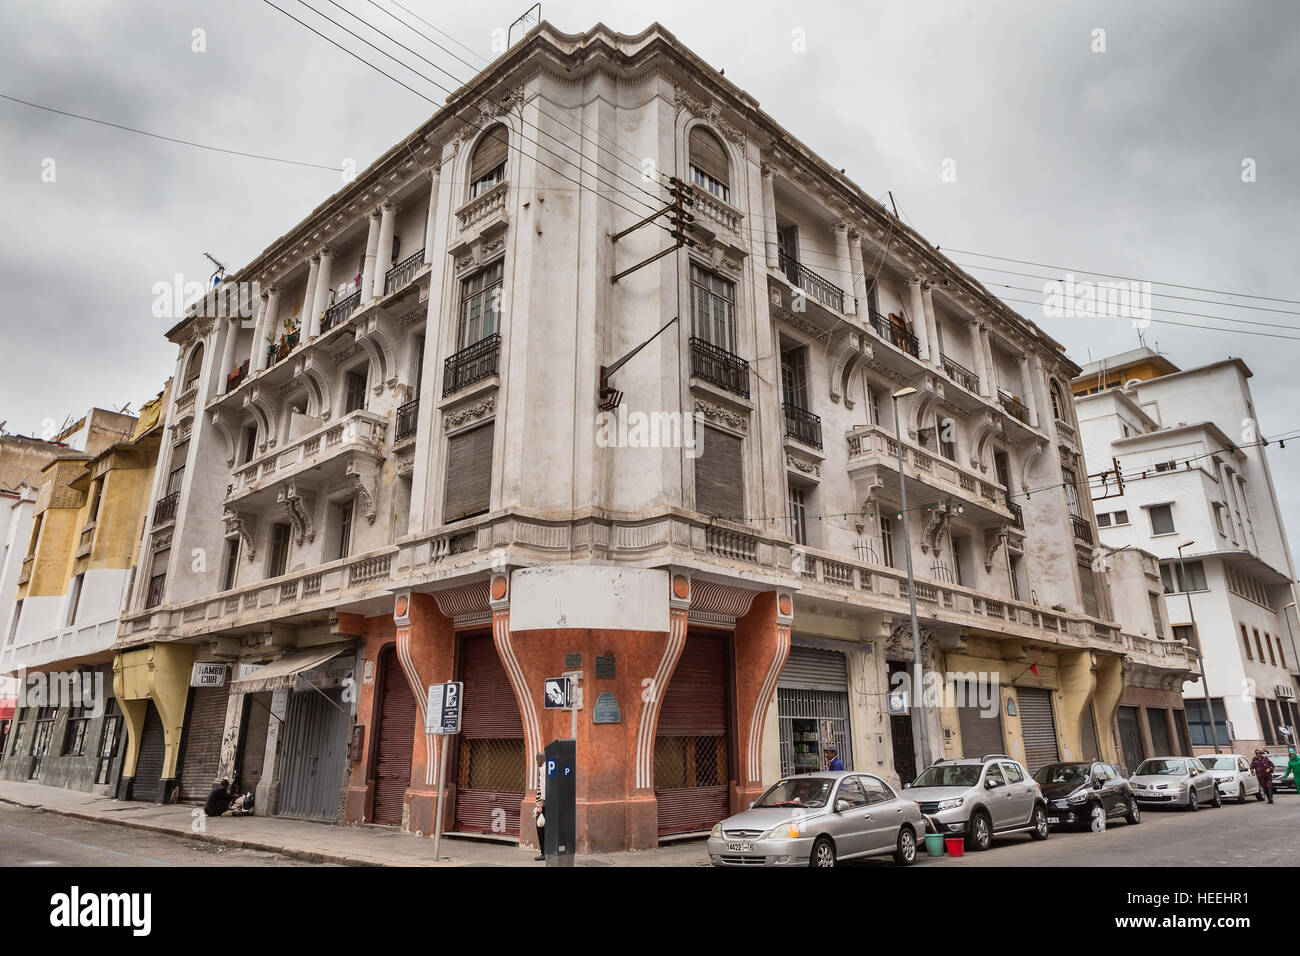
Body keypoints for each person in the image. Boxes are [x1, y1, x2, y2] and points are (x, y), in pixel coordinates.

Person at [532, 752, 546, 862]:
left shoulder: (543, 769)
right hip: (545, 804)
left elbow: (543, 788)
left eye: (537, 760)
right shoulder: (549, 768)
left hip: (543, 805)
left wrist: (540, 805)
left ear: (541, 759)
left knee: (540, 828)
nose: (537, 762)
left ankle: (543, 853)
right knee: (544, 828)